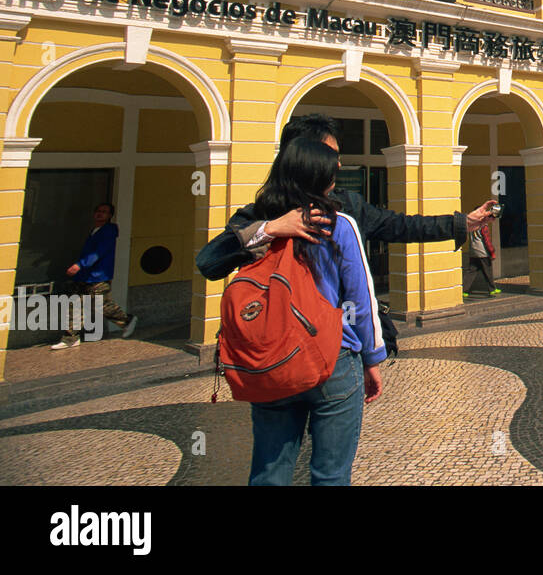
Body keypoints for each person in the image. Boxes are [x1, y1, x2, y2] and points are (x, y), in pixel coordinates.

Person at [196, 115, 496, 349]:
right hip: (278, 350)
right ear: (300, 156)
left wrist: (464, 223)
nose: (338, 163)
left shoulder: (347, 206)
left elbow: (401, 225)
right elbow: (210, 262)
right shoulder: (262, 211)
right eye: (330, 154)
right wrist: (272, 229)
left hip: (338, 346)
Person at [230, 139, 385, 486]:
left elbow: (219, 259)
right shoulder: (338, 225)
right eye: (333, 169)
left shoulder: (262, 228)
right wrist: (372, 358)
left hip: (273, 357)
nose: (338, 174)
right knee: (330, 474)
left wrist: (267, 230)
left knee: (270, 472)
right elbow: (360, 298)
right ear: (319, 176)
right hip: (333, 359)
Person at [52, 203, 138, 350]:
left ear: (110, 215)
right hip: (85, 276)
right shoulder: (95, 230)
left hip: (98, 276)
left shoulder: (108, 231)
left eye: (104, 212)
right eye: (98, 211)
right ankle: (70, 338)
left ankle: (127, 320)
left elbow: (98, 252)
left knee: (101, 304)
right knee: (75, 305)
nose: (100, 214)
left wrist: (80, 264)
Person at [463, 225, 501, 298]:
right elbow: (487, 240)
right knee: (488, 271)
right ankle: (492, 290)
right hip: (483, 252)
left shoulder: (471, 226)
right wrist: (492, 252)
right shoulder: (483, 226)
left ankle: (464, 290)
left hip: (473, 251)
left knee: (471, 272)